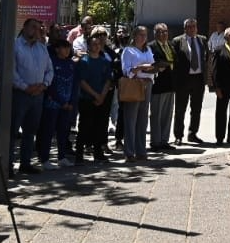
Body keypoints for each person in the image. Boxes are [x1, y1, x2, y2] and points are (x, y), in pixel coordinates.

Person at [11, 18, 53, 176]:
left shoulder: (41, 48)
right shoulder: (16, 46)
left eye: (39, 28)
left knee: (30, 131)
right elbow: (11, 70)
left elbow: (50, 70)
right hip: (20, 94)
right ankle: (7, 165)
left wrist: (44, 85)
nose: (36, 30)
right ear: (25, 27)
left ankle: (25, 163)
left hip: (38, 95)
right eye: (33, 27)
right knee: (13, 131)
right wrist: (25, 87)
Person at [37, 39, 78, 169]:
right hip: (52, 104)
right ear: (57, 49)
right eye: (64, 48)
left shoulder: (71, 64)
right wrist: (61, 101)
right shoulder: (51, 62)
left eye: (68, 48)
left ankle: (62, 157)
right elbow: (50, 85)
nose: (67, 50)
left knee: (64, 131)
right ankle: (45, 159)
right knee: (48, 132)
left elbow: (75, 84)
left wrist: (71, 101)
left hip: (67, 104)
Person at [75, 30, 113, 163]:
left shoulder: (104, 61)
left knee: (99, 126)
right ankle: (79, 155)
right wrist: (95, 95)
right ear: (88, 45)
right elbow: (82, 82)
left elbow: (108, 80)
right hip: (86, 99)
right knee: (84, 127)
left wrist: (102, 96)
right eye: (94, 44)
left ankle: (98, 152)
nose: (97, 46)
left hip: (101, 99)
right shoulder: (84, 61)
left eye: (98, 44)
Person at [120, 26, 156, 162]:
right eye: (140, 35)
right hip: (134, 85)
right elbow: (126, 71)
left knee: (142, 119)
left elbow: (152, 65)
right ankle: (129, 152)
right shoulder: (128, 51)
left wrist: (155, 68)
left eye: (145, 35)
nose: (143, 37)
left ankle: (141, 151)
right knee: (131, 119)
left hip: (147, 84)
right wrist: (140, 68)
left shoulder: (148, 49)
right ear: (134, 36)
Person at [171, 19, 208, 145]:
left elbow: (206, 57)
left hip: (198, 78)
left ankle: (193, 133)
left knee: (196, 108)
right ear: (185, 28)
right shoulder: (177, 41)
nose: (192, 29)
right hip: (183, 80)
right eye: (189, 27)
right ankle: (178, 136)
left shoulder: (202, 40)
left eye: (194, 26)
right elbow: (174, 61)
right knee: (180, 109)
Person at [147, 23, 177, 151]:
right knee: (156, 115)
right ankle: (155, 142)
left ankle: (164, 140)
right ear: (155, 33)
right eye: (159, 32)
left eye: (165, 31)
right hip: (158, 85)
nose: (163, 34)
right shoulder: (151, 46)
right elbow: (153, 62)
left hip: (170, 84)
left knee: (167, 114)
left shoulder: (170, 45)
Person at [211, 27, 230, 145]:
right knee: (221, 112)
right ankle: (219, 137)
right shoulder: (219, 50)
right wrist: (216, 87)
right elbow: (214, 70)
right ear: (225, 37)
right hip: (223, 86)